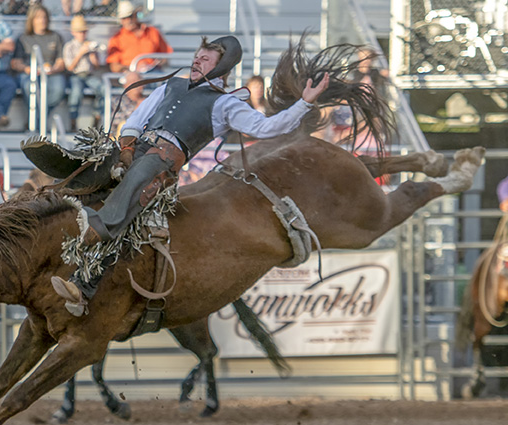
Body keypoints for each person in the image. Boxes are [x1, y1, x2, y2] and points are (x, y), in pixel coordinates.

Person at [51, 36, 330, 316]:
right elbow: (137, 118)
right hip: (136, 147)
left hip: (162, 163)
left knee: (142, 174)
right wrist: (125, 147)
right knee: (94, 164)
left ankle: (91, 234)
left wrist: (304, 104)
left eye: (205, 59)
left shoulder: (225, 104)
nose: (197, 61)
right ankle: (54, 204)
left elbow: (265, 127)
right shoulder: (170, 85)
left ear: (222, 68)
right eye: (197, 56)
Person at [10, 5, 66, 120]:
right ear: (32, 20)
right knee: (28, 88)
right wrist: (29, 70)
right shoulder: (24, 38)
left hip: (52, 73)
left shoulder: (55, 37)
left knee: (58, 90)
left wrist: (53, 69)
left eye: (45, 17)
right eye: (39, 17)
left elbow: (61, 61)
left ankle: (39, 118)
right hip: (30, 73)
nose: (42, 20)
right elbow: (15, 63)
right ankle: (35, 121)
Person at [106, 1, 171, 73]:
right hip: (130, 74)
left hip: (153, 72)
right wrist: (132, 69)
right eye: (124, 18)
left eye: (130, 16)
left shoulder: (153, 32)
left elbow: (165, 57)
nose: (128, 21)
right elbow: (114, 66)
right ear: (120, 20)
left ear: (135, 15)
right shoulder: (116, 39)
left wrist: (155, 64)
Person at [64, 15, 103, 130]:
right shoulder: (69, 46)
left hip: (89, 75)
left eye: (84, 31)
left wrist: (92, 55)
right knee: (76, 93)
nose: (83, 34)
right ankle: (73, 120)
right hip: (76, 76)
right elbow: (70, 67)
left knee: (103, 89)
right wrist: (80, 53)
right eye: (80, 32)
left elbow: (96, 66)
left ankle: (97, 117)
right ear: (73, 33)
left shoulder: (90, 44)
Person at [110, 71, 145, 137]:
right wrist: (139, 107)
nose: (135, 84)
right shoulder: (118, 101)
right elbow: (123, 120)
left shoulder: (149, 101)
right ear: (125, 86)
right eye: (131, 81)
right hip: (122, 136)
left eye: (138, 81)